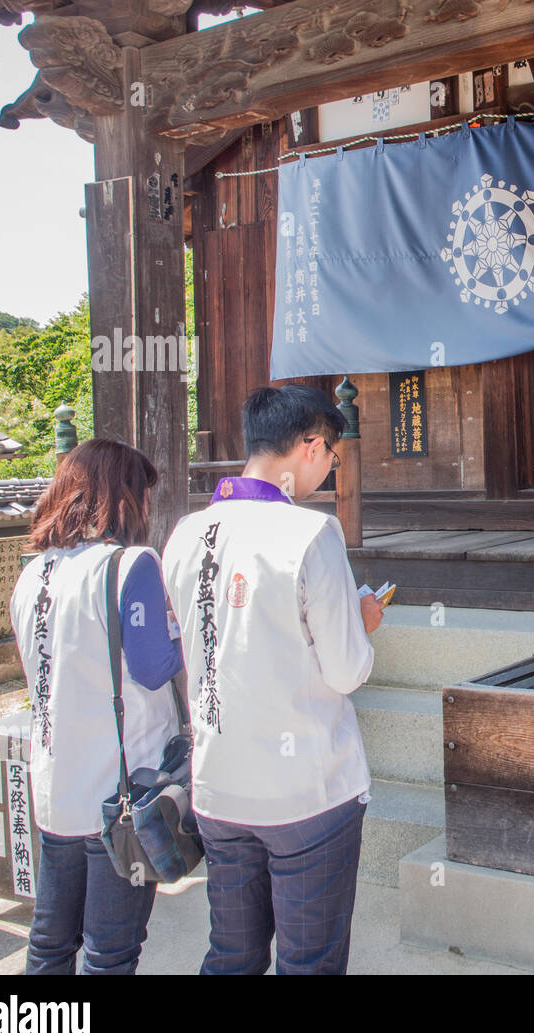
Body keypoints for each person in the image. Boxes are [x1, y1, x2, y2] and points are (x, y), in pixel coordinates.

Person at [162, 384, 384, 975]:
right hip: (306, 793)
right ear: (311, 446)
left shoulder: (184, 534)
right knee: (308, 961)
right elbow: (347, 670)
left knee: (231, 955)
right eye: (333, 456)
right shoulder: (311, 535)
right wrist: (361, 626)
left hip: (217, 789)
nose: (330, 469)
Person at [8, 438, 184, 975]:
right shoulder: (130, 566)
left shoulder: (32, 573)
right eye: (144, 495)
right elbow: (156, 668)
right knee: (111, 951)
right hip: (121, 795)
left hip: (56, 787)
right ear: (124, 498)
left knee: (50, 943)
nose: (149, 509)